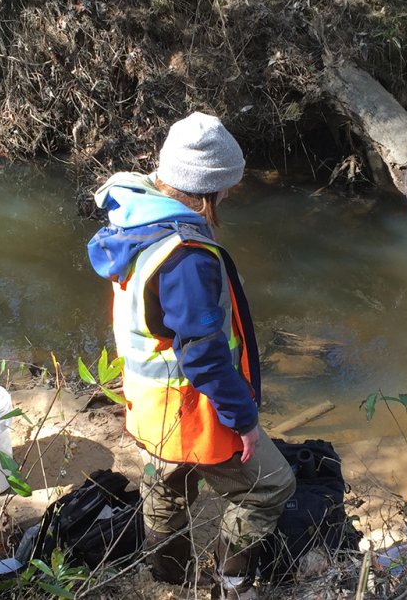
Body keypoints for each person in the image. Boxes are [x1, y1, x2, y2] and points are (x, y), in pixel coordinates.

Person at [86, 112, 296, 600]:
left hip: (148, 405)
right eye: (226, 189)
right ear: (209, 189)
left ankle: (169, 582)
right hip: (192, 410)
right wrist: (243, 419)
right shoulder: (188, 255)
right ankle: (230, 584)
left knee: (164, 496)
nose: (227, 198)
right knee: (270, 487)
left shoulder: (134, 218)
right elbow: (203, 356)